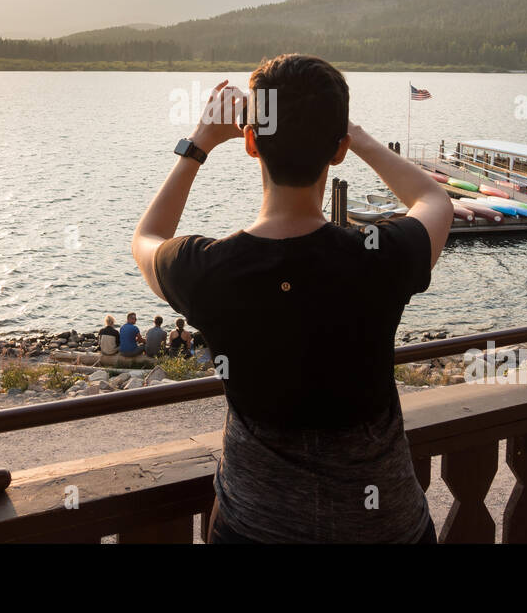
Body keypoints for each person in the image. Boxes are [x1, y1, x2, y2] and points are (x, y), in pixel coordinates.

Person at [131, 56, 452, 543]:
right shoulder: (380, 256)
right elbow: (434, 202)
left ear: (251, 144)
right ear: (338, 150)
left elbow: (146, 237)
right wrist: (360, 138)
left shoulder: (209, 269)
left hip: (256, 528)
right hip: (387, 527)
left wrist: (197, 144)